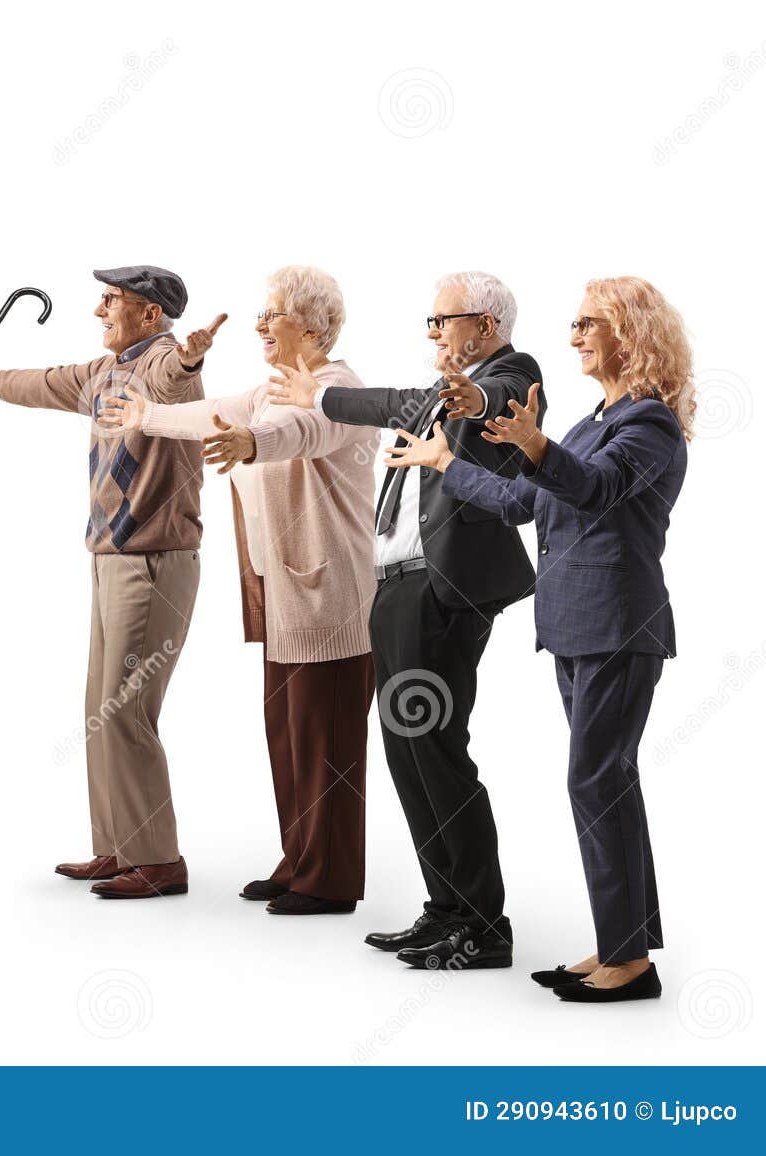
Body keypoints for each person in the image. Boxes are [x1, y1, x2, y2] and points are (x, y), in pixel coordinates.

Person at [384, 276, 692, 1002]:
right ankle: (624, 947)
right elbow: (522, 501)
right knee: (608, 781)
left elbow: (595, 489)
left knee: (595, 780)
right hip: (574, 628)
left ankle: (628, 963)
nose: (576, 334)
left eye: (591, 323)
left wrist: (532, 441)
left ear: (633, 333)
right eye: (575, 323)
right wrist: (446, 466)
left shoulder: (649, 425)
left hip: (620, 624)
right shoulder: (589, 425)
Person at [265, 272, 544, 967]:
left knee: (437, 750)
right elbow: (391, 401)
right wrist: (322, 396)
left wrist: (469, 390)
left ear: (484, 324)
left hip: (441, 589)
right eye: (430, 322)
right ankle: (445, 909)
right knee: (405, 751)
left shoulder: (510, 372)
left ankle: (483, 926)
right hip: (392, 587)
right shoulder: (436, 391)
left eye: (441, 320)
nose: (432, 334)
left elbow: (495, 400)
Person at [99, 266, 376, 914]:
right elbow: (215, 412)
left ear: (309, 326)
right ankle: (300, 860)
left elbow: (298, 434)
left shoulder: (338, 390)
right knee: (289, 732)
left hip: (330, 603)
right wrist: (149, 414)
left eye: (270, 313)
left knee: (326, 741)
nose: (257, 325)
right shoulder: (273, 388)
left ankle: (328, 880)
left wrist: (252, 443)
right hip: (284, 599)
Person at [0, 266, 224, 898]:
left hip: (154, 562)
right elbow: (44, 383)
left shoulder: (161, 363)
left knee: (126, 708)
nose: (99, 310)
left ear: (150, 314)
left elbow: (175, 382)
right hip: (109, 559)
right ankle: (118, 848)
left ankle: (159, 861)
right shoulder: (104, 373)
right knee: (101, 711)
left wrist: (190, 362)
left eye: (111, 300)